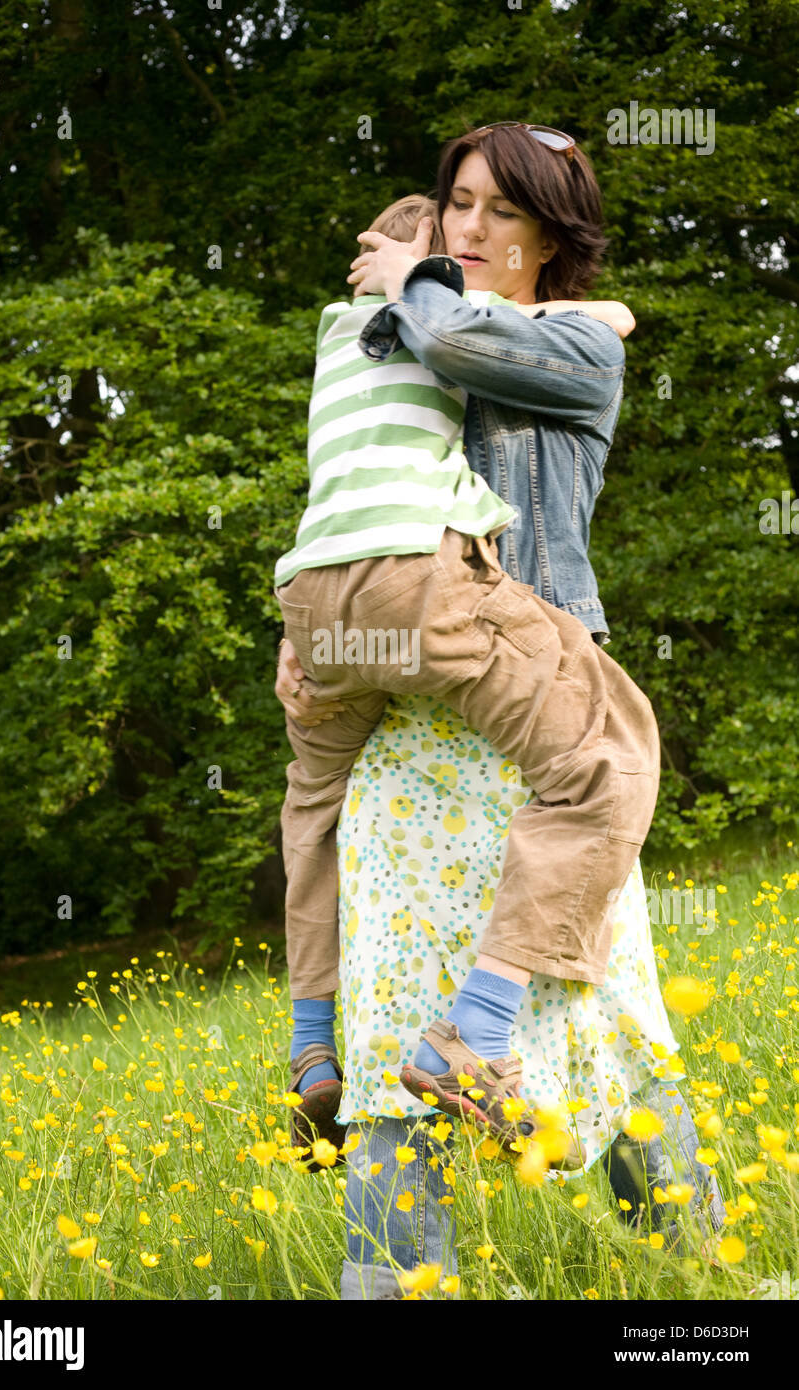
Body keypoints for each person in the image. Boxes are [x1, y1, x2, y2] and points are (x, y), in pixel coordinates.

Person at [276, 121, 725, 1296]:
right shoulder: (398, 330)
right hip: (413, 753)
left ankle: (703, 1285)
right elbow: (352, 499)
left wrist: (406, 279)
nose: (468, 231)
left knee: (612, 1028)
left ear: (547, 238)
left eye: (499, 215)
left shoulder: (575, 344)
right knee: (393, 1052)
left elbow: (463, 341)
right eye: (455, 206)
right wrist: (311, 644)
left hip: (532, 728)